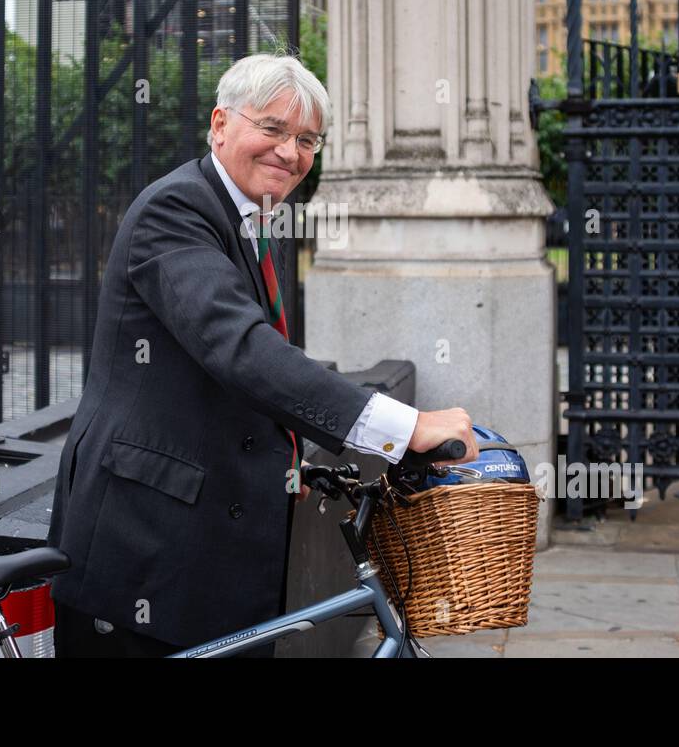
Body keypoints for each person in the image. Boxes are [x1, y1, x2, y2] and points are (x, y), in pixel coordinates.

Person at [45, 53, 478, 657]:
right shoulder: (175, 210)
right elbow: (240, 349)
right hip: (147, 547)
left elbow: (255, 363)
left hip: (207, 541)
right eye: (272, 129)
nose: (290, 152)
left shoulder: (247, 216)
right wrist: (405, 426)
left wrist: (290, 456)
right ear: (220, 124)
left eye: (307, 140)